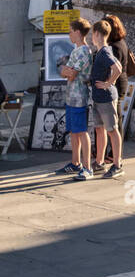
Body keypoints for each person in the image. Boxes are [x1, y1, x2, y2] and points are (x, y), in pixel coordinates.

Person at [56, 18, 92, 180]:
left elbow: (71, 74)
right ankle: (75, 162)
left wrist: (65, 70)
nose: (69, 34)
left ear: (77, 32)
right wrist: (65, 70)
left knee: (81, 131)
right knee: (73, 131)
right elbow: (65, 71)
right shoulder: (76, 50)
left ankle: (87, 167)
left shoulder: (84, 51)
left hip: (79, 97)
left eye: (70, 31)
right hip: (71, 96)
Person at [90, 19, 124, 178]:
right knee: (100, 129)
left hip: (106, 97)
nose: (92, 37)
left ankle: (117, 164)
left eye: (92, 34)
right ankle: (99, 162)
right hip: (98, 97)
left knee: (112, 129)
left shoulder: (104, 52)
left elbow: (118, 68)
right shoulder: (102, 51)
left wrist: (109, 83)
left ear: (96, 34)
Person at [100, 13, 130, 165]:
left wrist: (107, 83)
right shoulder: (121, 42)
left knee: (115, 120)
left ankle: (114, 154)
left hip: (116, 84)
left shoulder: (114, 46)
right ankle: (111, 152)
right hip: (122, 81)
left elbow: (114, 68)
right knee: (115, 118)